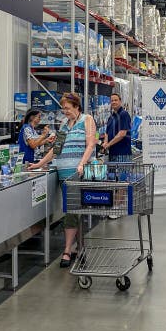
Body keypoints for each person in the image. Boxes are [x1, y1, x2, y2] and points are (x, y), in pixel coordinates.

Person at [28, 92, 97, 268]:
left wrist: (81, 163)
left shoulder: (87, 120)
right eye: (63, 108)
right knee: (74, 211)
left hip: (77, 173)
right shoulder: (65, 125)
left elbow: (90, 144)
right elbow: (56, 149)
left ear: (76, 106)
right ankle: (79, 247)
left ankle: (67, 250)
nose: (64, 111)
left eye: (67, 108)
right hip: (62, 173)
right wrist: (40, 164)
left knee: (72, 211)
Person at [102, 93, 132, 162]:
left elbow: (122, 134)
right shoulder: (111, 117)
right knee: (111, 173)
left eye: (116, 100)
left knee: (122, 173)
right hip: (112, 153)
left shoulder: (124, 114)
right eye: (112, 101)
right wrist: (105, 143)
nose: (114, 102)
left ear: (120, 101)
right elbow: (107, 132)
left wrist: (109, 144)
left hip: (122, 154)